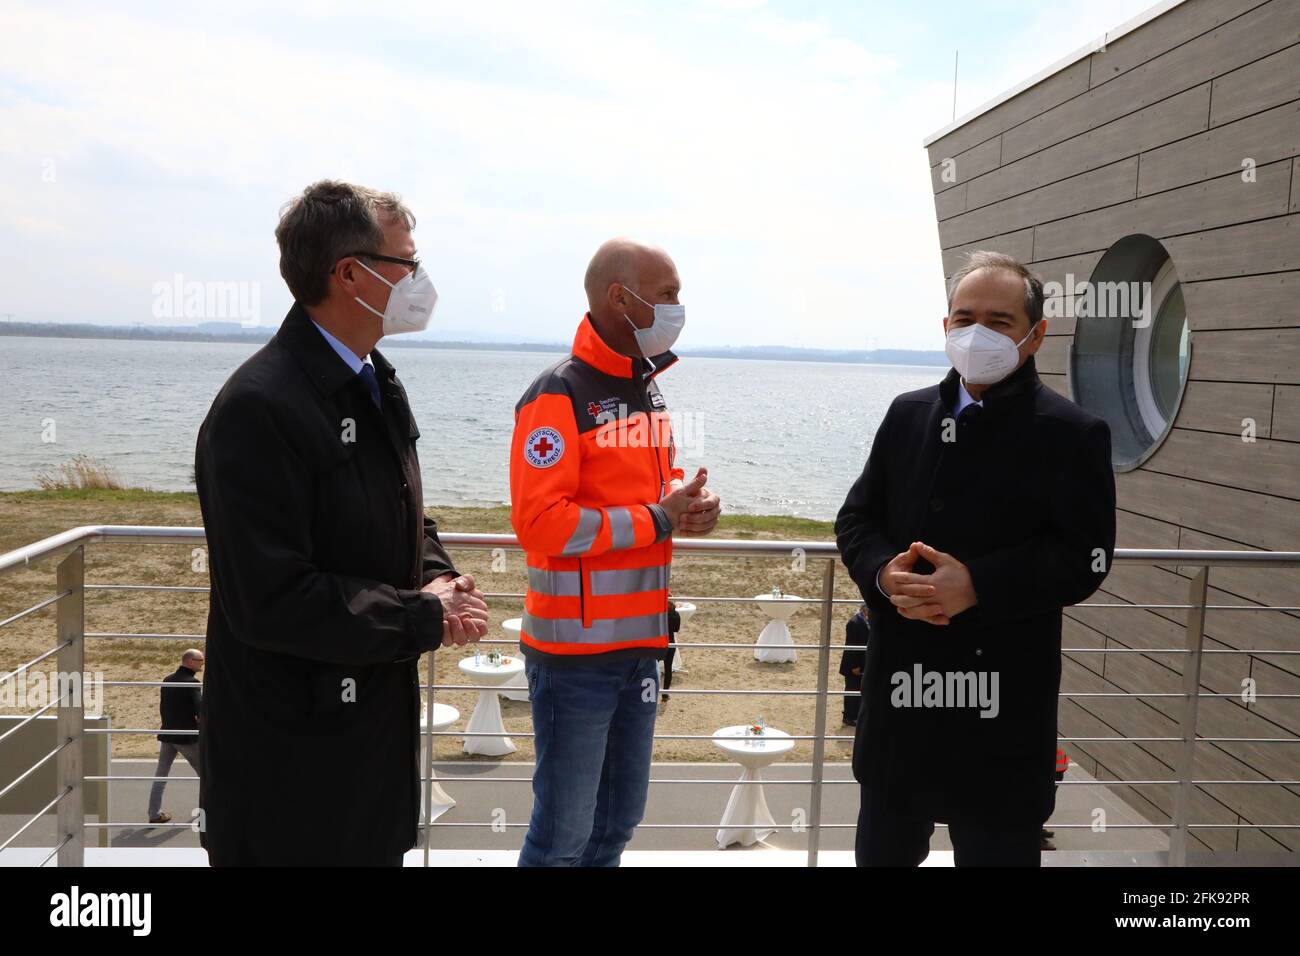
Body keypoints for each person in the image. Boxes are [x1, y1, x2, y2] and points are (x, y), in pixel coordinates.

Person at [194, 180, 490, 866]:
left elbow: (400, 509)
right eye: (406, 263)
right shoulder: (258, 408)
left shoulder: (373, 380)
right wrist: (421, 615)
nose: (419, 280)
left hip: (369, 758)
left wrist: (444, 580)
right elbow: (270, 600)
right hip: (290, 779)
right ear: (350, 275)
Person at [834, 250, 1116, 867]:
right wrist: (883, 573)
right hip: (900, 705)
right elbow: (856, 519)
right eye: (964, 319)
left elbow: (1087, 558)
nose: (977, 333)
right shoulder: (907, 414)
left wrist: (978, 584)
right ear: (945, 327)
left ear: (1036, 335)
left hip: (1003, 715)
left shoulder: (1072, 433)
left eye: (999, 321)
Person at [510, 237, 721, 866]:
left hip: (641, 649)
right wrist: (658, 518)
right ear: (619, 299)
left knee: (616, 824)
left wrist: (686, 506)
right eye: (667, 294)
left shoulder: (646, 386)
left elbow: (651, 491)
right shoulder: (557, 393)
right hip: (573, 658)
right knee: (562, 836)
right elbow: (541, 523)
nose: (677, 307)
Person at [147, 649, 204, 826]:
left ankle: (154, 813)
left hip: (167, 734)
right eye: (200, 660)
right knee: (205, 775)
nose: (202, 663)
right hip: (186, 737)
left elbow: (164, 707)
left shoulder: (167, 679)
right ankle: (208, 812)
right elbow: (200, 709)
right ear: (189, 661)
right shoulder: (192, 683)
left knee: (161, 774)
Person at [838, 606, 869, 726]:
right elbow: (851, 647)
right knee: (852, 689)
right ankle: (849, 716)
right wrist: (855, 666)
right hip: (853, 665)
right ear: (864, 610)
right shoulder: (854, 623)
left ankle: (855, 715)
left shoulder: (865, 621)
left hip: (861, 663)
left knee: (859, 689)